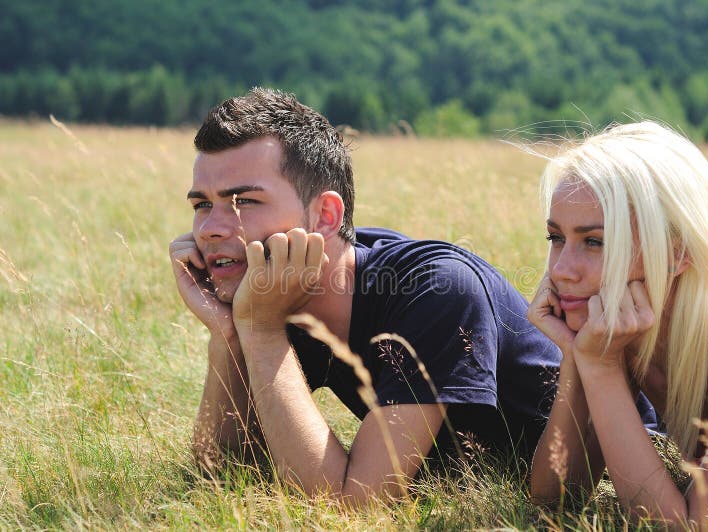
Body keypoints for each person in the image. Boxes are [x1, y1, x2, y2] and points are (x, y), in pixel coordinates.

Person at [169, 87, 564, 506]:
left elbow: (354, 506)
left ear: (325, 216)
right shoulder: (278, 288)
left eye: (243, 201)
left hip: (598, 485)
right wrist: (229, 334)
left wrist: (261, 332)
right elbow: (220, 469)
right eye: (202, 205)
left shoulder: (437, 288)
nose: (210, 228)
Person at [526, 121, 708, 524]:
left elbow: (691, 527)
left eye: (594, 242)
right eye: (556, 238)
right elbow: (555, 499)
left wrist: (601, 370)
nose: (563, 269)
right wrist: (578, 358)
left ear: (677, 252)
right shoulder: (628, 332)